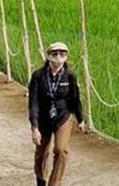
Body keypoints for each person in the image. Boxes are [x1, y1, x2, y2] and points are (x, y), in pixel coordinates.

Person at [28, 41, 85, 186]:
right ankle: (41, 179)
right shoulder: (38, 76)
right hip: (43, 119)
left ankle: (55, 183)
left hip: (63, 117)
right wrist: (34, 127)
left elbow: (75, 99)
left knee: (61, 150)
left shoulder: (70, 76)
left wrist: (80, 119)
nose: (58, 57)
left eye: (62, 54)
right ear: (48, 56)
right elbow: (33, 103)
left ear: (66, 56)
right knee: (41, 151)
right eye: (55, 54)